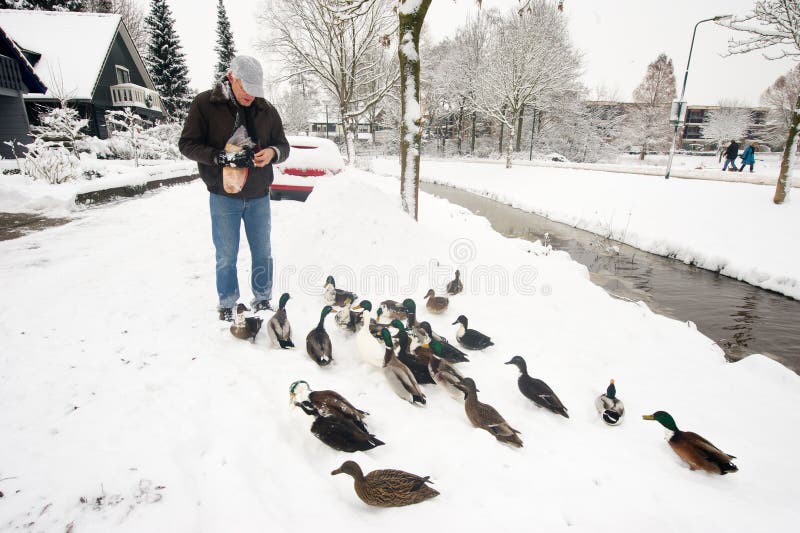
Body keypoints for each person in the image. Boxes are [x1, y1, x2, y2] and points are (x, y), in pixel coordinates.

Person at [179, 55, 290, 321]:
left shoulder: (266, 109)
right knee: (226, 254)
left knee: (263, 252)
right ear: (232, 78)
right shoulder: (205, 104)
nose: (251, 96)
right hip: (223, 195)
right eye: (245, 89)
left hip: (259, 195)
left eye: (255, 90)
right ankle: (228, 303)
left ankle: (263, 299)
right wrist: (218, 157)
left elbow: (283, 145)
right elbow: (187, 144)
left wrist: (273, 153)